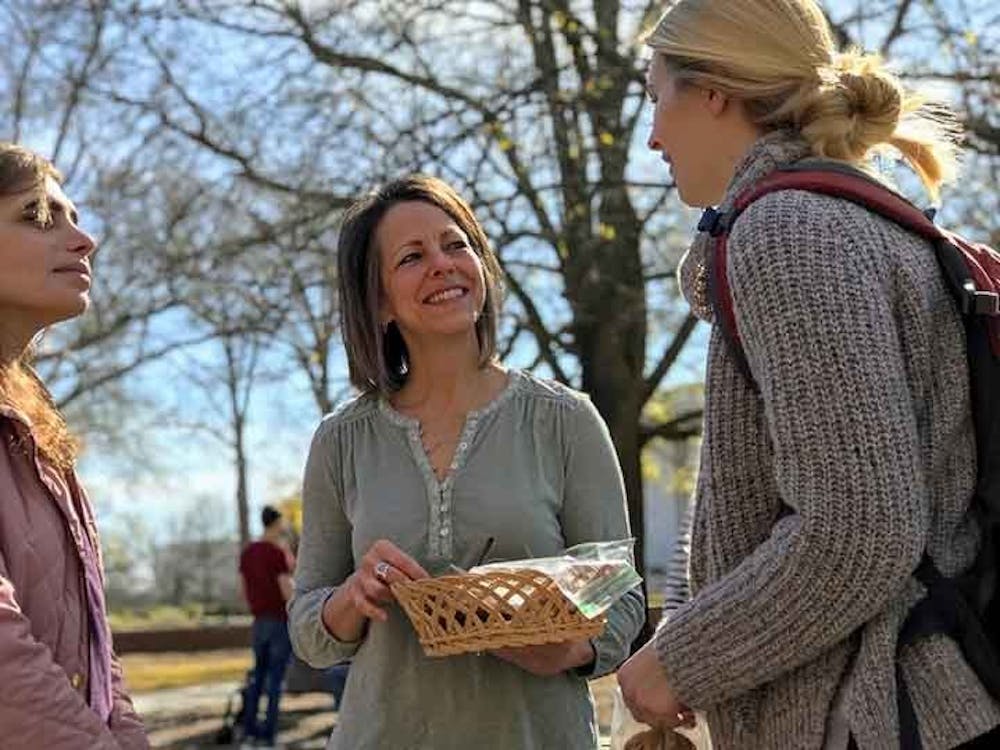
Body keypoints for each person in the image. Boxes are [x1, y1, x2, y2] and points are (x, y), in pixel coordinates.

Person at [616, 1, 1000, 748]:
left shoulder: (791, 233)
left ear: (715, 90)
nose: (654, 134)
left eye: (658, 95)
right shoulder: (852, 221)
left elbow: (860, 531)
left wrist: (683, 657)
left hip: (879, 716)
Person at [288, 174, 645, 749]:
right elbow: (308, 629)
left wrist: (576, 648)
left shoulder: (565, 420)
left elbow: (621, 591)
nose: (442, 264)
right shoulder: (341, 440)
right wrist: (351, 598)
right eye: (412, 256)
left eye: (457, 245)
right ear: (378, 299)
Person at [0, 142, 148, 748]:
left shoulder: (39, 433)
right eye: (38, 218)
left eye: (75, 217)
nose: (84, 241)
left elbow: (94, 644)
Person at [239, 504, 295, 748]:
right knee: (275, 680)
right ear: (276, 523)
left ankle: (249, 731)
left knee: (257, 678)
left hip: (259, 622)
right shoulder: (276, 553)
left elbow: (243, 587)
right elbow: (286, 589)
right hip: (279, 622)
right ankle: (269, 736)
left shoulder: (248, 552)